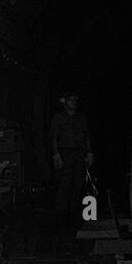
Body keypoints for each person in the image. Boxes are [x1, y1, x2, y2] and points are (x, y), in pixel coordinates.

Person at [49, 93, 94, 228]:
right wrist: (56, 155)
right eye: (71, 99)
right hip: (65, 154)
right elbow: (54, 137)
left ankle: (75, 215)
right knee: (65, 184)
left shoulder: (81, 118)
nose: (74, 101)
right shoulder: (58, 118)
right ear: (64, 102)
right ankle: (61, 216)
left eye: (76, 99)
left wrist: (89, 153)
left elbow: (86, 136)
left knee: (78, 184)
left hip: (79, 154)